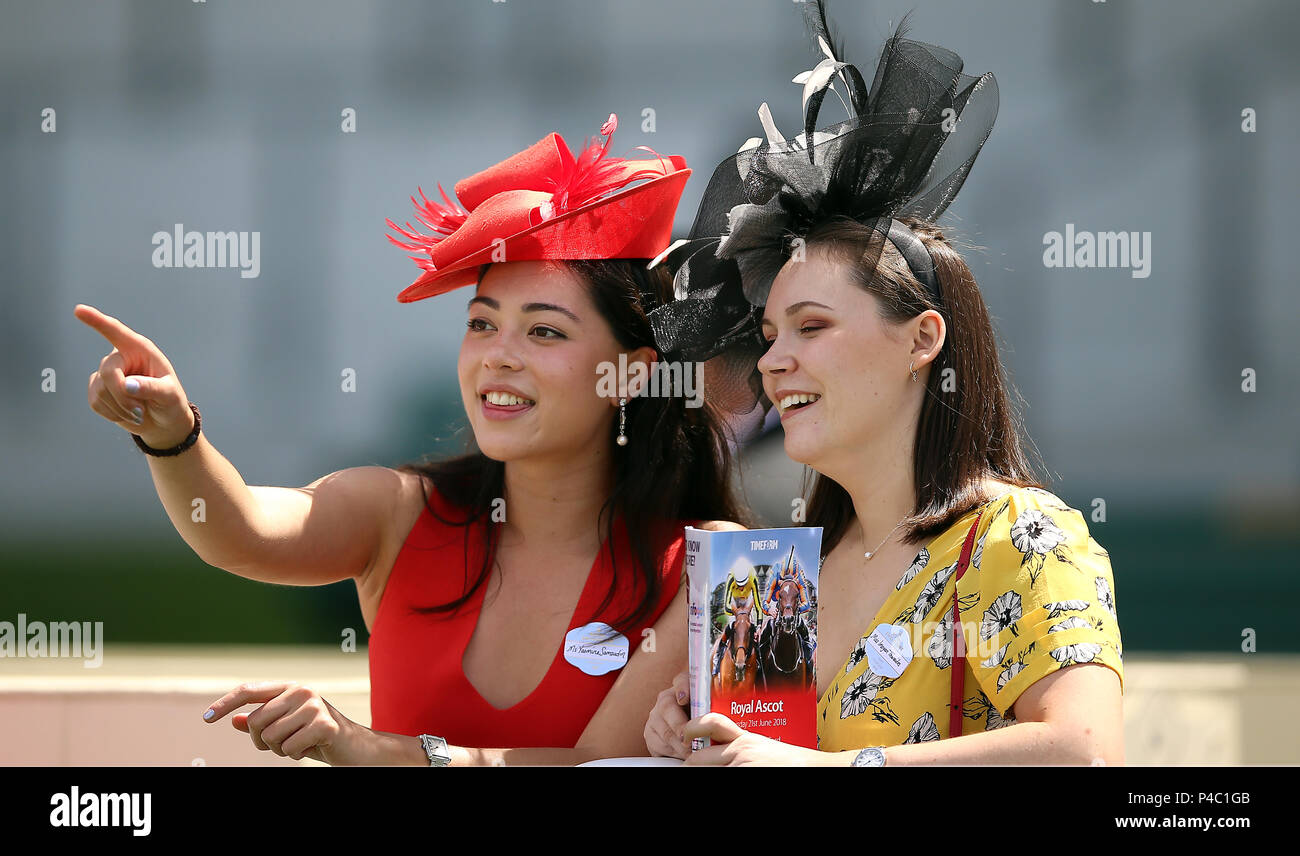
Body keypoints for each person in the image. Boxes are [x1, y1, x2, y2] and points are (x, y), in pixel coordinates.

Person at [77, 113, 751, 765]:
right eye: (482, 324)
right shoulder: (398, 512)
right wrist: (172, 435)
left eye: (544, 331)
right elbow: (240, 530)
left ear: (631, 374)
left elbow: (599, 767)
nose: (498, 356)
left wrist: (367, 748)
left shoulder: (724, 567)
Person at [643, 5, 1123, 766]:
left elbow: (1081, 752)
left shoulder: (1018, 533)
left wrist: (825, 768)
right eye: (769, 337)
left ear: (923, 340)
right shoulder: (778, 572)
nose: (772, 362)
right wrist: (694, 736)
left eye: (812, 327)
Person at [711, 562, 763, 678]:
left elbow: (758, 606)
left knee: (752, 632)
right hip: (734, 604)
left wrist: (759, 627)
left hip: (748, 602)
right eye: (739, 585)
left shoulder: (753, 579)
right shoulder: (731, 578)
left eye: (743, 584)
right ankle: (717, 660)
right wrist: (739, 616)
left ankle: (759, 664)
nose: (741, 588)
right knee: (730, 628)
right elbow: (726, 606)